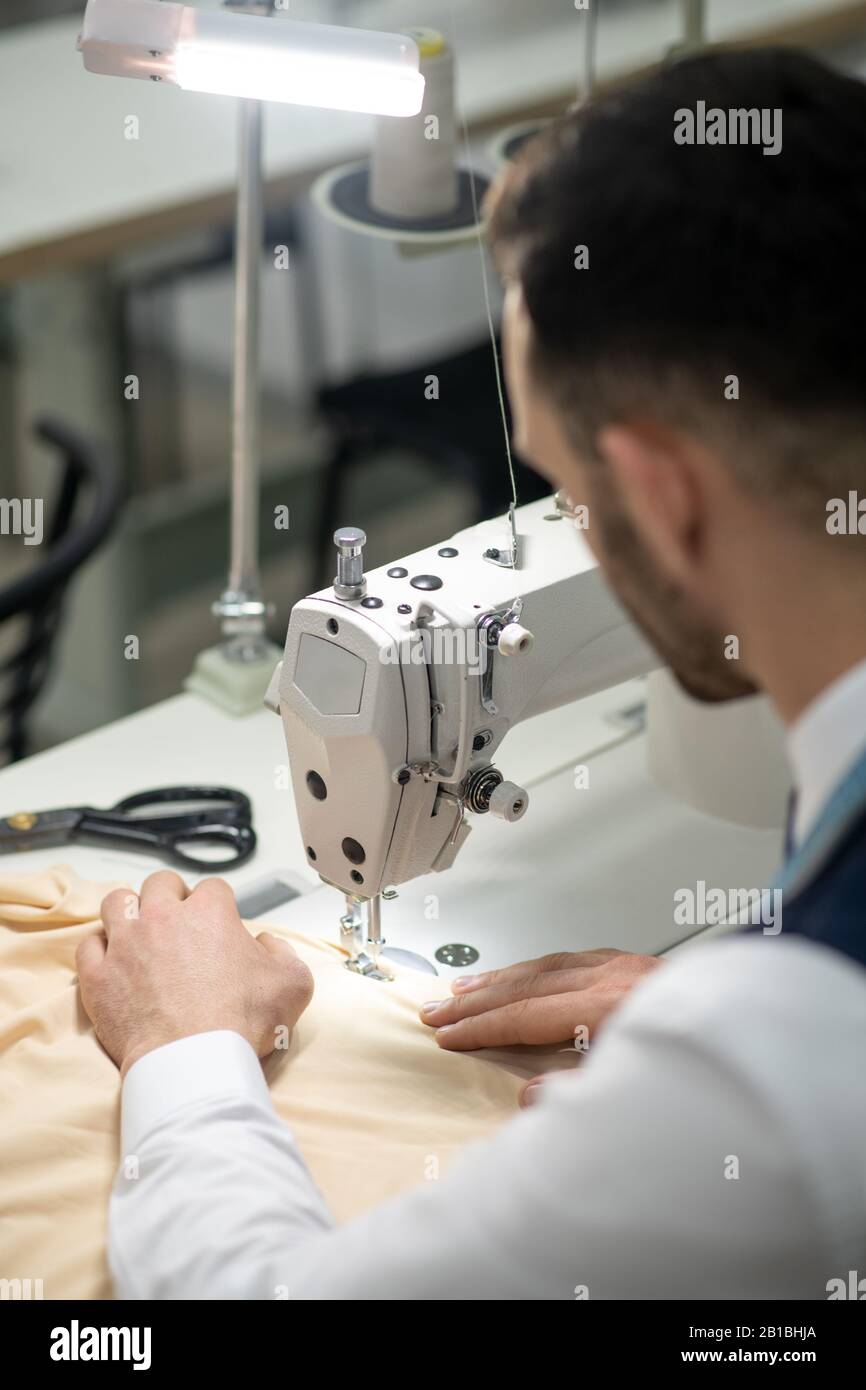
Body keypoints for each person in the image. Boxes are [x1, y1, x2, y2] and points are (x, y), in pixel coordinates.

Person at [78, 48, 866, 1299]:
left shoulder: (773, 1078)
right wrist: (709, 995)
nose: (567, 530)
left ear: (661, 494)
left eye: (568, 490)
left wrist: (185, 1046)